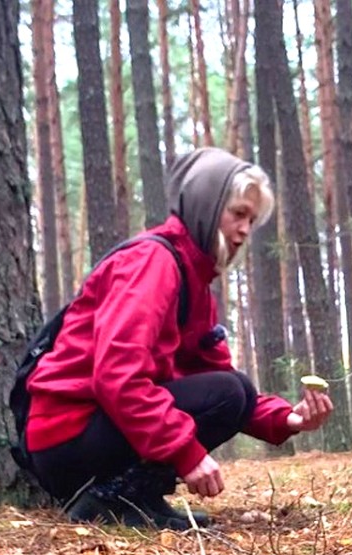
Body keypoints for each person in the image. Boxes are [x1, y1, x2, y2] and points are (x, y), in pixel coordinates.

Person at [23, 147, 333, 530]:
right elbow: (117, 376)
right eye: (238, 214)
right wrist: (185, 452)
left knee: (232, 388)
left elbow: (221, 378)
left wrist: (287, 418)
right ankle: (113, 501)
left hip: (88, 434)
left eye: (252, 220)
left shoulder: (193, 279)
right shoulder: (152, 264)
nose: (244, 230)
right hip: (67, 436)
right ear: (206, 204)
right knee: (228, 392)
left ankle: (135, 497)